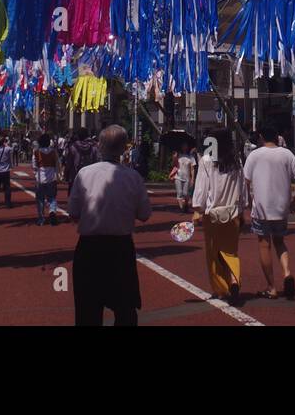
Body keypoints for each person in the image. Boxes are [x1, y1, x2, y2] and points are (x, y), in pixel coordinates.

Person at [68, 124, 152, 325]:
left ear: (100, 146)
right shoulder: (133, 177)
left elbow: (73, 213)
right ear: (124, 148)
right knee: (125, 311)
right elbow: (144, 215)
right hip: (120, 249)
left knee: (87, 312)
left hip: (89, 248)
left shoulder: (84, 173)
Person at [243, 125, 295, 300]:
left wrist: (248, 200)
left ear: (261, 136)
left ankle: (271, 287)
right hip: (281, 207)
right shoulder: (287, 154)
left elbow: (245, 181)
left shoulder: (254, 155)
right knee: (280, 242)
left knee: (264, 244)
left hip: (261, 207)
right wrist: (294, 201)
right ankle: (287, 272)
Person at [192, 128, 249, 303]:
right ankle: (234, 279)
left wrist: (198, 209)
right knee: (231, 251)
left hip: (213, 214)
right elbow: (242, 188)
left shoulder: (207, 160)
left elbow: (201, 189)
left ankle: (221, 289)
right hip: (232, 213)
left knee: (213, 253)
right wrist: (242, 209)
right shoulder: (237, 161)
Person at [33, 133, 60, 226]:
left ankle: (41, 219)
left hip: (40, 179)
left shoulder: (36, 152)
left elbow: (34, 166)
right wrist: (58, 175)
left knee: (40, 199)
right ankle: (52, 211)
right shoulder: (53, 152)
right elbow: (57, 164)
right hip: (51, 178)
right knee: (52, 197)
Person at [169, 143, 198, 214]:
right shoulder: (178, 155)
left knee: (185, 194)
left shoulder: (191, 157)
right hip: (178, 177)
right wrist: (174, 157)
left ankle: (186, 206)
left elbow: (192, 169)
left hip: (187, 178)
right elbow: (173, 165)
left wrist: (193, 178)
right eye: (183, 145)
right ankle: (181, 209)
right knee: (179, 193)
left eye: (186, 145)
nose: (184, 146)